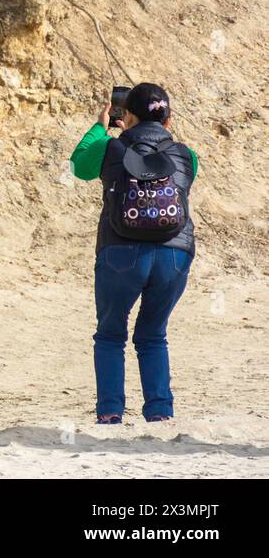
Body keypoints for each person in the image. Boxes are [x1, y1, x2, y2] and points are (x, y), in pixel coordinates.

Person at [69, 83, 198, 424]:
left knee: (111, 334)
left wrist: (100, 128)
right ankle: (159, 413)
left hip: (121, 252)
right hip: (174, 254)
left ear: (125, 116)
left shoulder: (109, 147)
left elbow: (80, 167)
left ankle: (110, 413)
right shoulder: (186, 154)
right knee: (153, 334)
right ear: (168, 119)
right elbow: (184, 179)